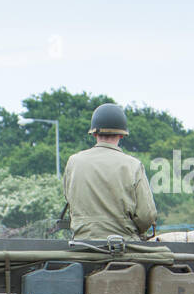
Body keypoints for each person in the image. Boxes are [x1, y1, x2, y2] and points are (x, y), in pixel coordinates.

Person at [63, 103, 157, 241]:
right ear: (122, 135)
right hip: (124, 248)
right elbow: (146, 216)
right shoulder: (132, 165)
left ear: (94, 133)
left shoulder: (74, 162)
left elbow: (70, 200)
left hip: (81, 245)